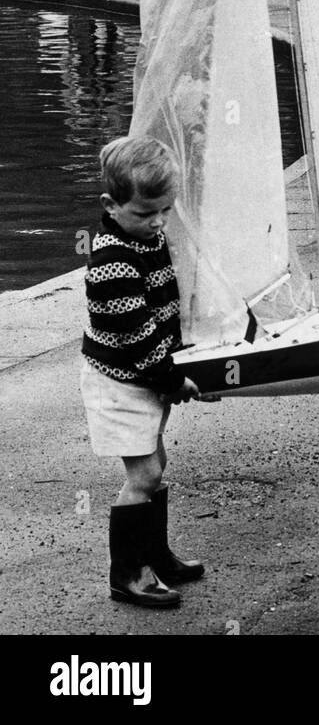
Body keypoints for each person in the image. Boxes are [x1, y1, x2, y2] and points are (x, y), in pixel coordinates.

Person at [80, 136, 204, 608]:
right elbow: (135, 338)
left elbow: (158, 318)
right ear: (110, 206)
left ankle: (156, 555)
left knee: (157, 465)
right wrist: (176, 380)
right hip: (120, 380)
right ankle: (128, 574)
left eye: (164, 211)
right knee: (144, 474)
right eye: (146, 213)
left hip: (144, 375)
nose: (157, 223)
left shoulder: (144, 239)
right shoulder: (113, 261)